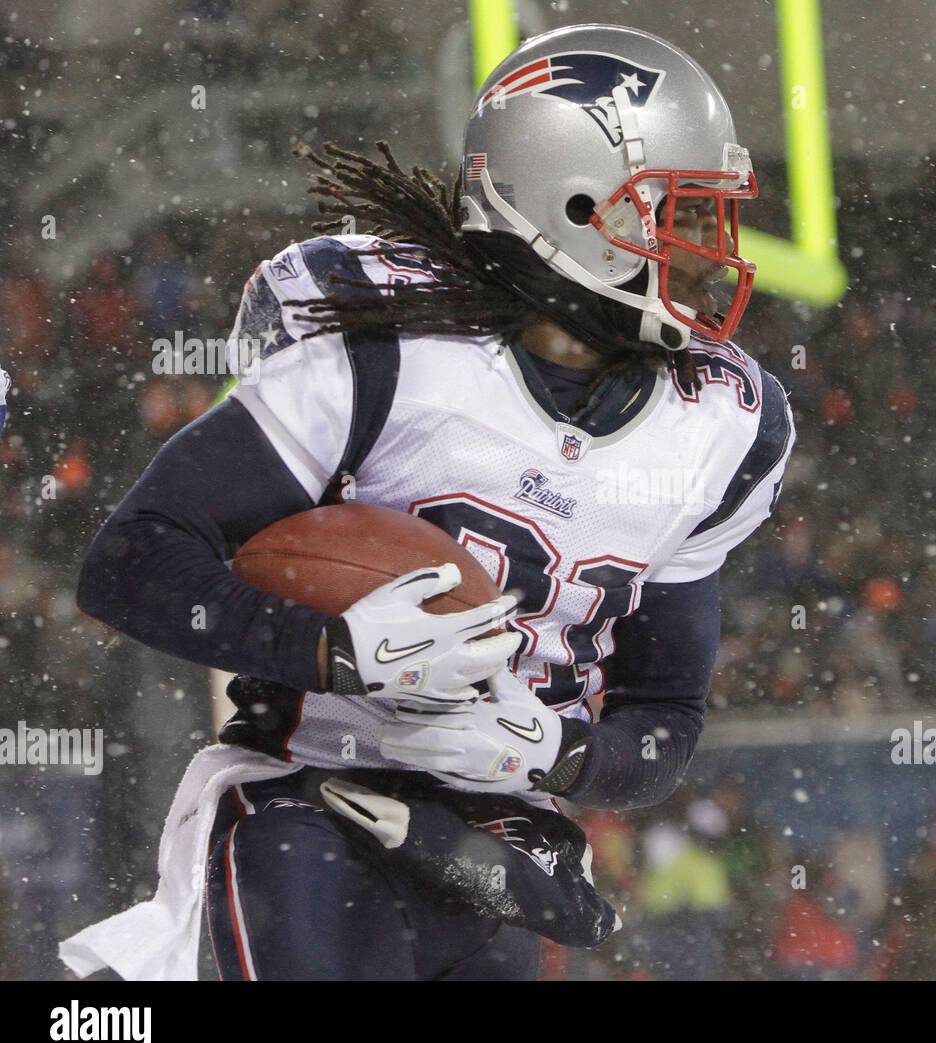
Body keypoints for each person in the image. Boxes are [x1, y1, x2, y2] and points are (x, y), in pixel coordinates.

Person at [65, 24, 792, 981]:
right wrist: (334, 651)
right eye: (681, 214)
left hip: (496, 849)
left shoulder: (728, 424)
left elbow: (663, 725)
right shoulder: (385, 349)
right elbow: (131, 564)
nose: (711, 249)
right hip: (303, 806)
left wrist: (555, 750)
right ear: (571, 206)